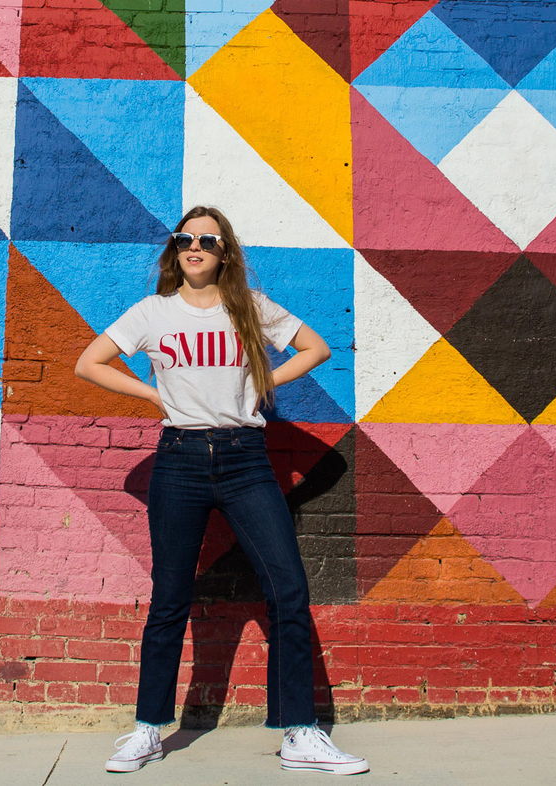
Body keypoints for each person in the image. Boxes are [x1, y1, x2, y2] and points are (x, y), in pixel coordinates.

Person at [75, 206, 369, 776]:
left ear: (225, 252)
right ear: (175, 249)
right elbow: (90, 363)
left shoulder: (249, 308)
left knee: (287, 589)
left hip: (245, 460)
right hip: (179, 461)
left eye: (208, 240)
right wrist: (155, 397)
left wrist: (263, 380)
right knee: (169, 598)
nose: (195, 247)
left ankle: (300, 733)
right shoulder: (153, 312)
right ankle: (147, 730)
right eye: (186, 238)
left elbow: (317, 348)